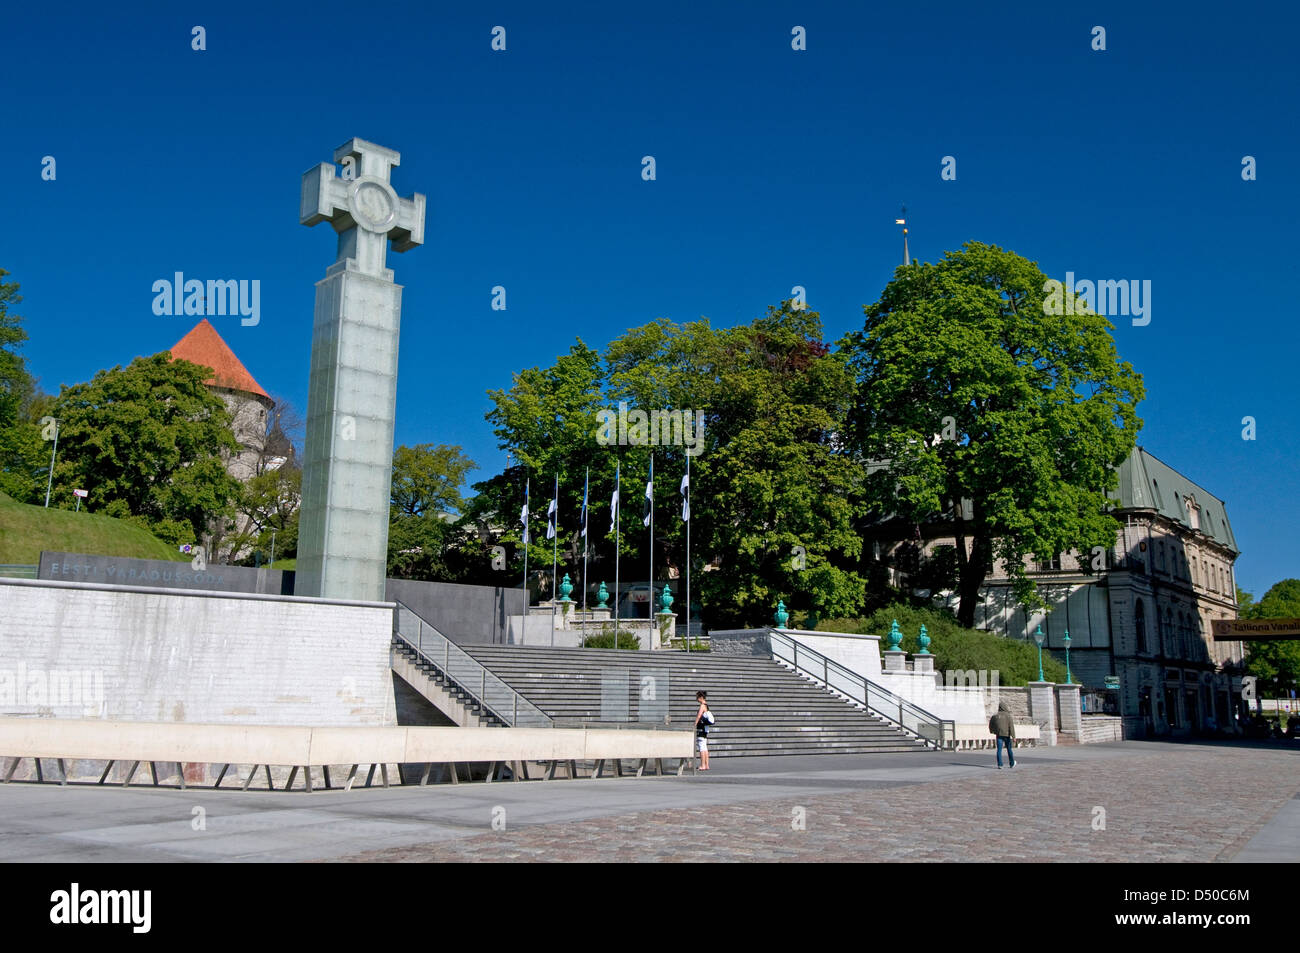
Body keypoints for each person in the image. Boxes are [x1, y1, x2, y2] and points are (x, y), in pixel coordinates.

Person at [989, 701, 1016, 769]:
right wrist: (1014, 737)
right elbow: (1011, 727)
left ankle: (1000, 764)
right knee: (1009, 749)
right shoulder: (1008, 716)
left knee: (999, 750)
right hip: (1007, 735)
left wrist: (992, 731)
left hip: (999, 735)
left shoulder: (995, 716)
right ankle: (1012, 763)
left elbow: (991, 725)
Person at [694, 690, 713, 771]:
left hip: (701, 729)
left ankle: (702, 765)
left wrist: (694, 725)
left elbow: (699, 716)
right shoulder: (707, 705)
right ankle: (706, 765)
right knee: (705, 747)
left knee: (701, 747)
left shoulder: (702, 706)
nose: (696, 699)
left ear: (700, 697)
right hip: (705, 729)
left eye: (697, 697)